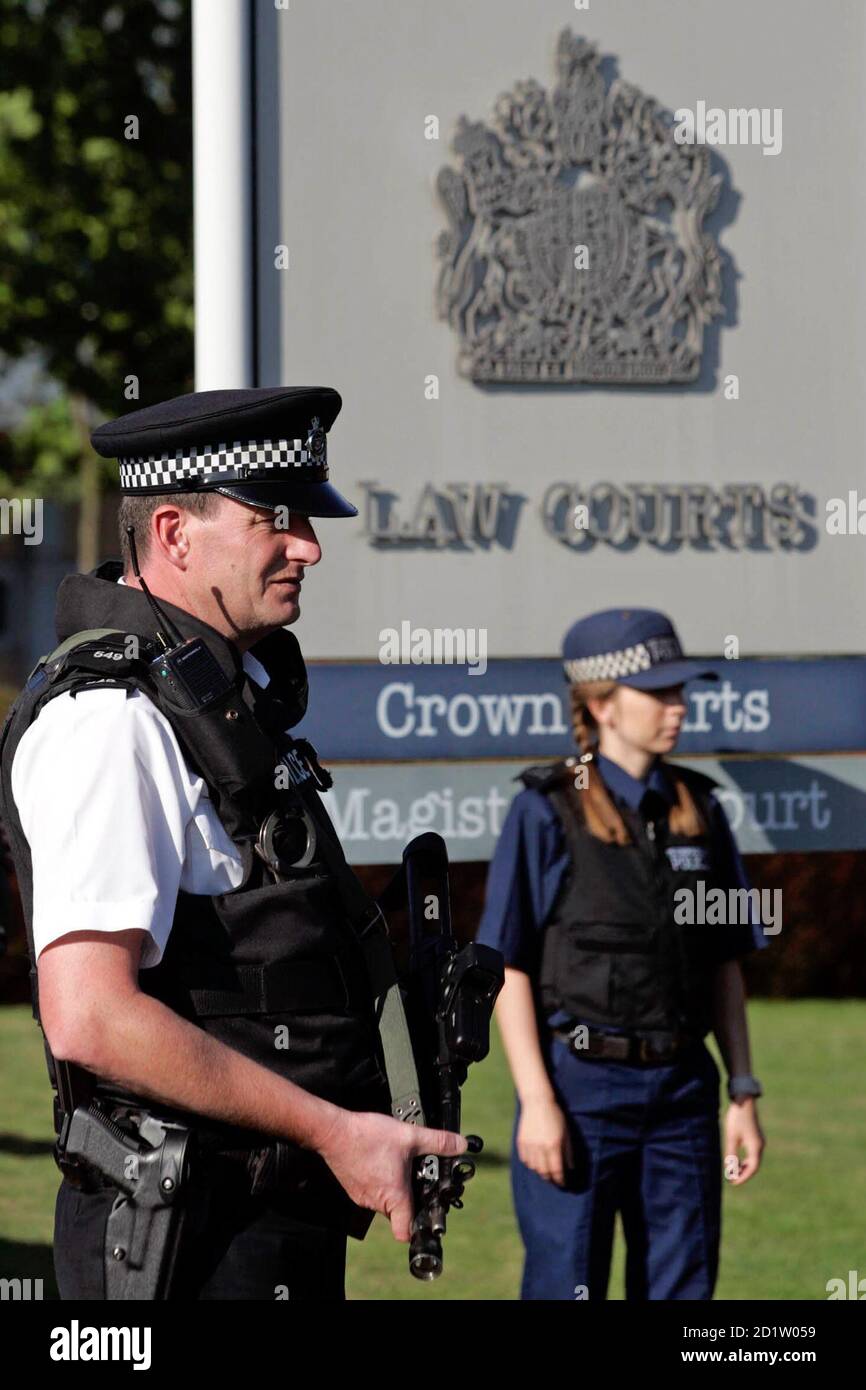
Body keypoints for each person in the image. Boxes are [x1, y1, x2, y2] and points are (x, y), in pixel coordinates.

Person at [0, 386, 466, 1300]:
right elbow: (90, 1016)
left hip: (256, 1227)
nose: (309, 546)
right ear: (174, 533)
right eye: (277, 519)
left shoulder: (220, 701)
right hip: (181, 1244)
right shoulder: (111, 722)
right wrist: (336, 1130)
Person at [476, 608, 767, 1301]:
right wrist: (538, 1103)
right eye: (659, 692)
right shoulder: (546, 809)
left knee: (682, 1292)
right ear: (601, 703)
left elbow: (725, 961)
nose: (678, 707)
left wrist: (743, 1091)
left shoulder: (702, 807)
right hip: (580, 1089)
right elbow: (507, 967)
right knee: (564, 1286)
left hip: (683, 1094)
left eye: (681, 690)